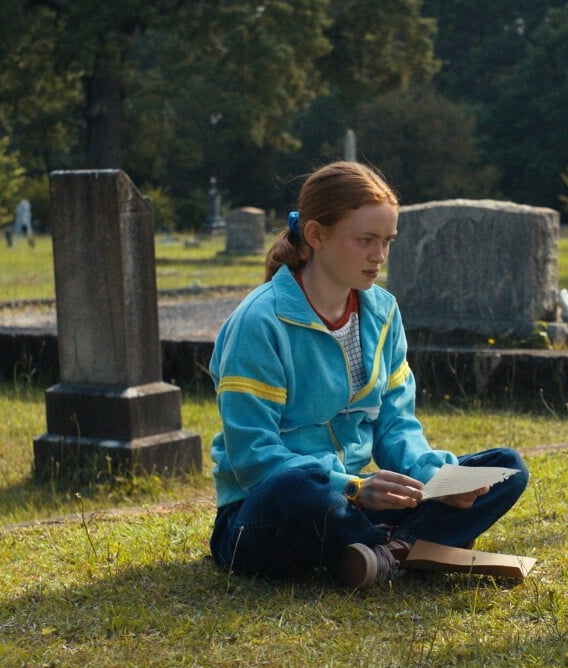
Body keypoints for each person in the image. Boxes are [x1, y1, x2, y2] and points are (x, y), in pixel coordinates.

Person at [207, 161, 528, 588]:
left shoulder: (382, 312)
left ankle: (382, 553)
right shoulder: (260, 322)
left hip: (357, 506)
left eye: (387, 242)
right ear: (316, 235)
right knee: (303, 491)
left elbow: (396, 424)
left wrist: (436, 478)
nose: (379, 257)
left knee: (506, 468)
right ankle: (409, 547)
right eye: (365, 241)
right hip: (267, 511)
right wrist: (354, 487)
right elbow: (253, 459)